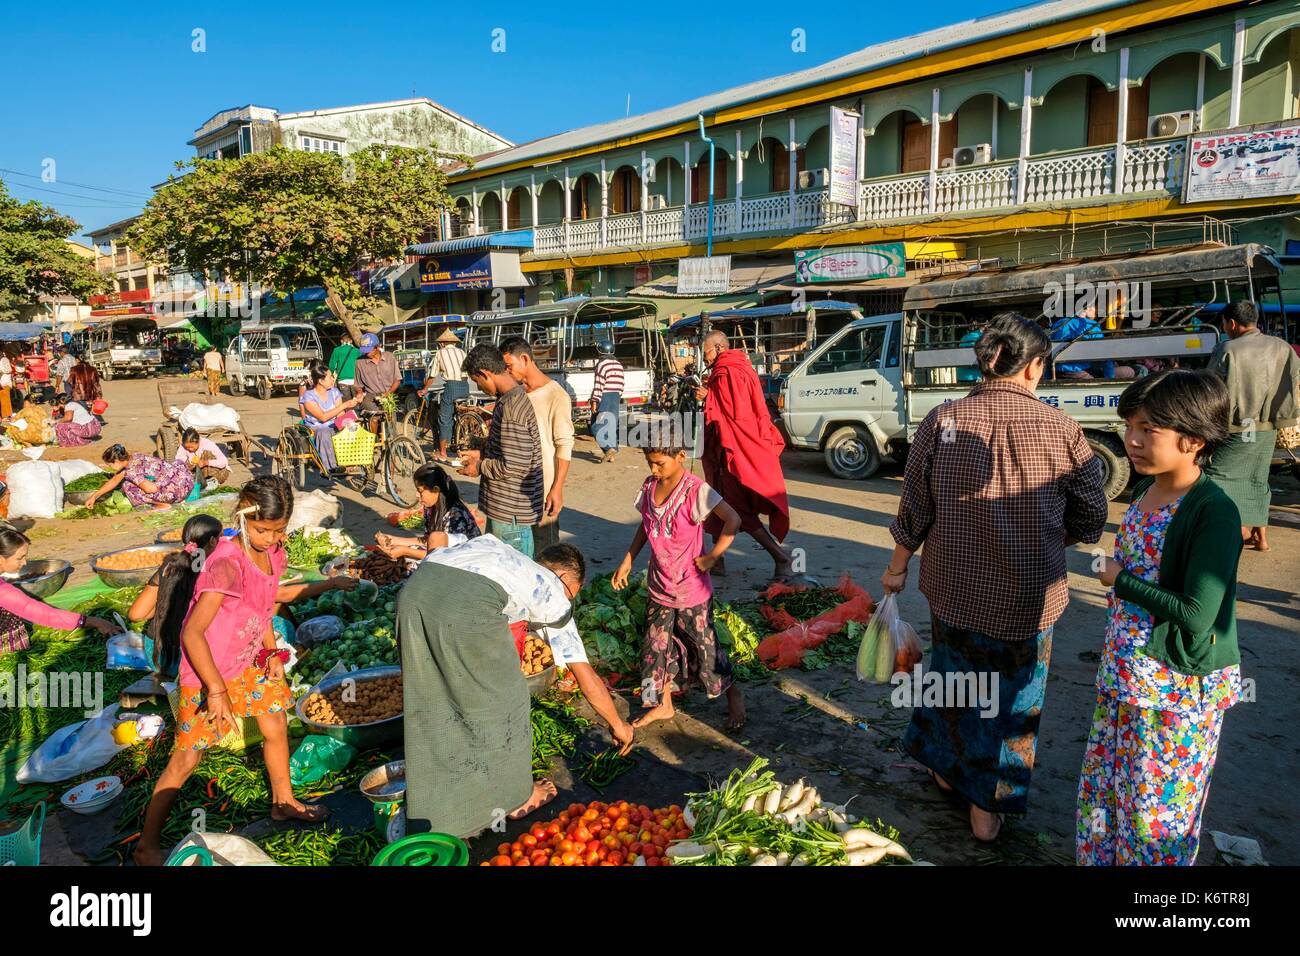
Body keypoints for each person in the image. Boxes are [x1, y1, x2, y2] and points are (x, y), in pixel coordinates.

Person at [883, 313, 1108, 842]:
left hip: (953, 590)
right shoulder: (1062, 428)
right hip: (1029, 600)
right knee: (1014, 702)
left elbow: (914, 509)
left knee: (955, 681)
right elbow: (1092, 517)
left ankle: (945, 769)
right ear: (1033, 367)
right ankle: (987, 809)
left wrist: (896, 570)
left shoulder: (943, 420)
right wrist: (1044, 540)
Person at [1078, 370, 1243, 866]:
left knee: (1155, 819)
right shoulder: (1145, 493)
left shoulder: (1213, 512)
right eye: (1130, 426)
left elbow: (1197, 616)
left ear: (1193, 439)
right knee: (1106, 801)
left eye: (1148, 429)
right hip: (1126, 677)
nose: (1131, 440)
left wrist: (1119, 580)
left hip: (1174, 692)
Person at [133, 477, 328, 866]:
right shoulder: (224, 563)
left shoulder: (274, 554)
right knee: (187, 758)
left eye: (278, 530)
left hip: (250, 659)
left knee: (276, 726)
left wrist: (271, 652)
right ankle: (145, 846)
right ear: (242, 515)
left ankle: (283, 802)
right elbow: (192, 632)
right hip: (208, 670)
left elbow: (264, 607)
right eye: (261, 530)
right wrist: (216, 689)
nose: (270, 538)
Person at [397, 537, 634, 838]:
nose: (570, 600)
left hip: (414, 595)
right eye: (573, 592)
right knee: (507, 701)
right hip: (463, 607)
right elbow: (582, 671)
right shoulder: (549, 589)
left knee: (432, 697)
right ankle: (516, 797)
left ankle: (433, 807)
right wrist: (617, 724)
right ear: (562, 578)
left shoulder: (506, 558)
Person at [612, 432, 745, 731]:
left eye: (660, 463)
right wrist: (628, 558)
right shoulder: (648, 487)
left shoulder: (696, 490)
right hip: (659, 585)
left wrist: (713, 556)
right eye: (650, 463)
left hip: (691, 589)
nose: (654, 470)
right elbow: (646, 527)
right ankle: (662, 705)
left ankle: (732, 692)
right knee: (655, 648)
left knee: (704, 647)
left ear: (681, 457)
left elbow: (733, 519)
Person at [130, 514, 358, 676]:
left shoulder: (171, 566)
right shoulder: (222, 567)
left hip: (159, 655)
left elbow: (137, 614)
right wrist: (332, 583)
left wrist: (164, 596)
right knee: (278, 623)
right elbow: (281, 595)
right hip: (191, 660)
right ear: (213, 541)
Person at [1202, 300, 1300, 552]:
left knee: (1217, 476)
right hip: (1271, 425)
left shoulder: (1228, 348)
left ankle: (1232, 532)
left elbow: (1210, 388)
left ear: (1232, 323)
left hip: (1242, 425)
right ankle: (1261, 538)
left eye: (1224, 324)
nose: (1225, 329)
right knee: (1256, 477)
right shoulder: (1283, 347)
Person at [698, 329, 795, 580]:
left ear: (719, 348)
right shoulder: (738, 368)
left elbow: (736, 414)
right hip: (725, 449)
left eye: (706, 352)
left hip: (735, 449)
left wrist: (708, 397)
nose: (705, 359)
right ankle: (717, 562)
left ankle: (781, 558)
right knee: (715, 502)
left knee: (738, 511)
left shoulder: (729, 371)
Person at [458, 343, 544, 557]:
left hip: (510, 513)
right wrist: (482, 452)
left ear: (485, 374)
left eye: (477, 381)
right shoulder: (509, 400)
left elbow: (514, 465)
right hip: (506, 509)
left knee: (512, 577)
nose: (479, 388)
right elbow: (511, 451)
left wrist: (479, 466)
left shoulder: (512, 407)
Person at [502, 336, 573, 551]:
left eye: (509, 366)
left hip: (543, 489)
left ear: (524, 359)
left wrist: (557, 488)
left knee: (546, 551)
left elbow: (564, 445)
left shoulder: (556, 395)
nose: (507, 372)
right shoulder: (518, 393)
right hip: (517, 490)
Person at [0, 529, 116, 654]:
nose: (24, 562)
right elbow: (44, 614)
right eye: (20, 558)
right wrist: (94, 622)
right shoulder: (4, 592)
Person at [375, 463, 481, 561]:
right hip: (442, 555)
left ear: (435, 490)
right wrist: (392, 540)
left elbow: (444, 555)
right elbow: (427, 540)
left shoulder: (456, 516)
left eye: (420, 491)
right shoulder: (430, 508)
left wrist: (405, 550)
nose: (417, 495)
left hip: (463, 560)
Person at [300, 360, 364, 478]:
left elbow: (340, 415)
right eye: (330, 377)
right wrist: (345, 405)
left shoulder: (334, 392)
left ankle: (351, 463)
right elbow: (323, 417)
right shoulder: (308, 396)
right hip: (317, 427)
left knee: (353, 428)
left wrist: (348, 423)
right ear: (321, 381)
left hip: (333, 424)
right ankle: (330, 467)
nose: (332, 379)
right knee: (324, 432)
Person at [88, 444, 195, 510]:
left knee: (127, 486)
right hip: (187, 483)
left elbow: (151, 489)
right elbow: (116, 478)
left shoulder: (131, 472)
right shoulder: (136, 456)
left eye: (110, 465)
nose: (110, 467)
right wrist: (95, 496)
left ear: (116, 461)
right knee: (174, 465)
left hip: (176, 493)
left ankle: (162, 505)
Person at [423, 328, 468, 466]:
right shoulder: (462, 352)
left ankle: (442, 453)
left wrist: (425, 389)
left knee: (444, 419)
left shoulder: (440, 353)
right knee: (455, 413)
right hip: (465, 387)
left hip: (452, 387)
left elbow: (432, 374)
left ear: (442, 343)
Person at [589, 341, 624, 463]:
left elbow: (599, 385)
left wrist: (594, 402)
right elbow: (621, 385)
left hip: (605, 397)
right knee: (611, 426)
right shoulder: (619, 365)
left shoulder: (602, 365)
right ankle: (611, 453)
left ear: (600, 351)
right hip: (616, 397)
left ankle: (609, 448)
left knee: (595, 427)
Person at [353, 332, 400, 418]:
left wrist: (388, 393)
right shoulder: (359, 362)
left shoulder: (390, 357)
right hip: (370, 398)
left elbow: (397, 379)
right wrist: (359, 392)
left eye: (369, 350)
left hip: (388, 396)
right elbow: (357, 385)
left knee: (390, 422)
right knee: (374, 419)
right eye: (364, 351)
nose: (366, 353)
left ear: (377, 347)